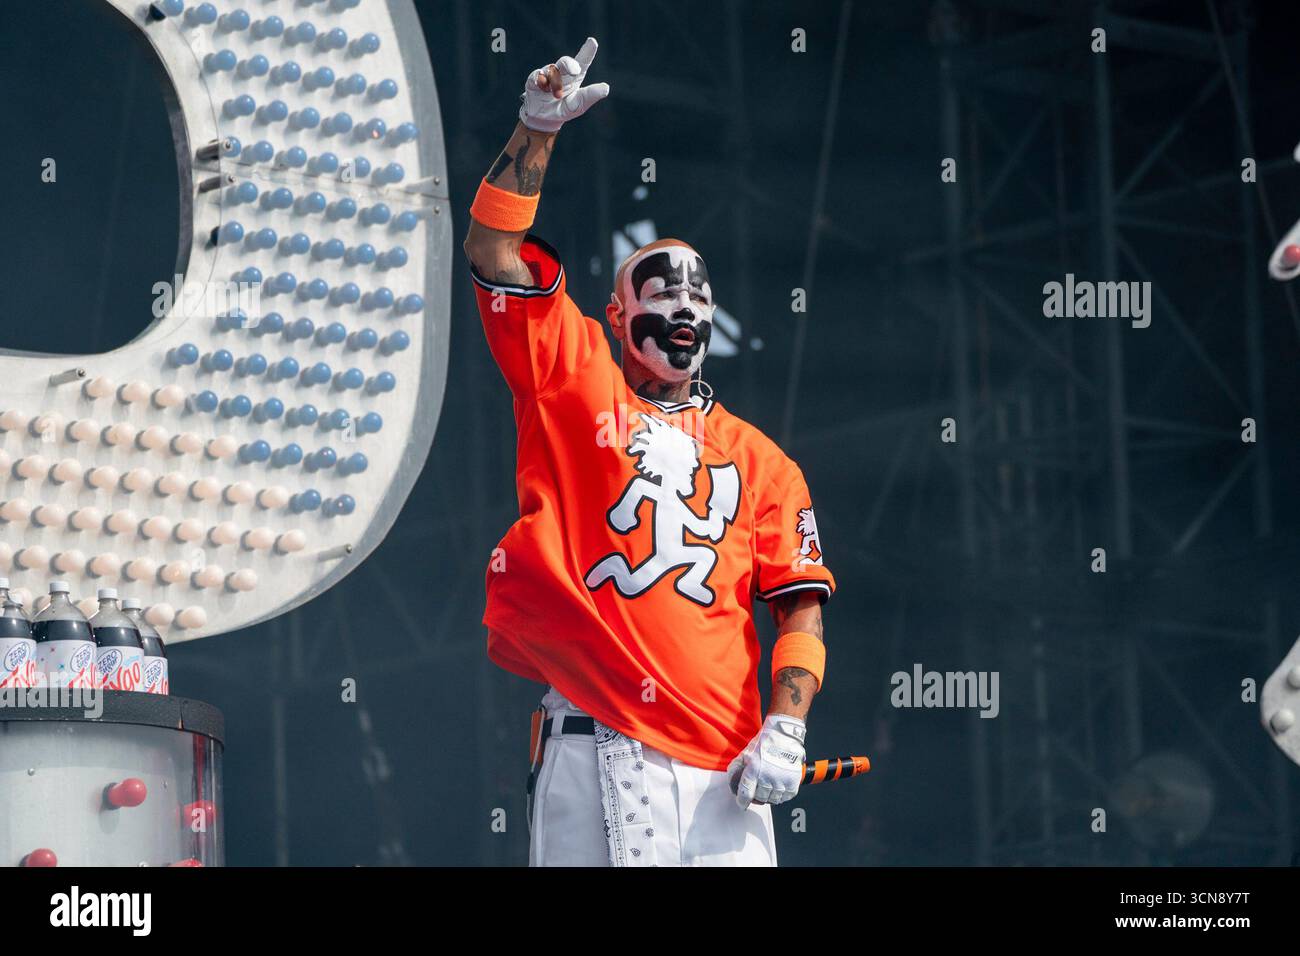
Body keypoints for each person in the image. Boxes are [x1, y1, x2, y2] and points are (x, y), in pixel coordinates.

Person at [462, 38, 835, 866]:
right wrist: (538, 129)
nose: (683, 307)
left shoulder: (765, 462)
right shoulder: (574, 376)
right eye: (661, 291)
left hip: (726, 771)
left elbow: (800, 608)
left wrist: (787, 726)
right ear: (617, 314)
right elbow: (492, 254)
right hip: (593, 744)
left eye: (698, 295)